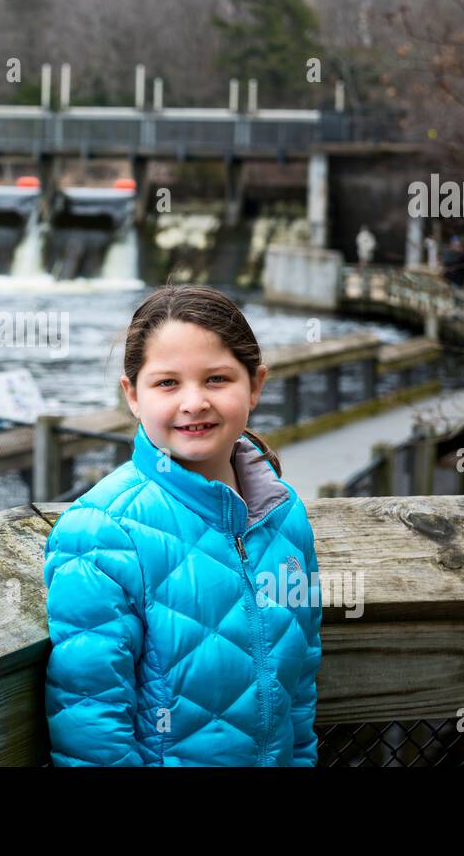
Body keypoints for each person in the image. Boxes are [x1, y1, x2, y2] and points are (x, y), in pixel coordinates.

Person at [42, 285, 322, 766]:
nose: (193, 402)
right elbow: (92, 722)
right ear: (132, 395)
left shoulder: (286, 516)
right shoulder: (102, 533)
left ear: (255, 385)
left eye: (216, 379)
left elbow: (299, 692)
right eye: (167, 383)